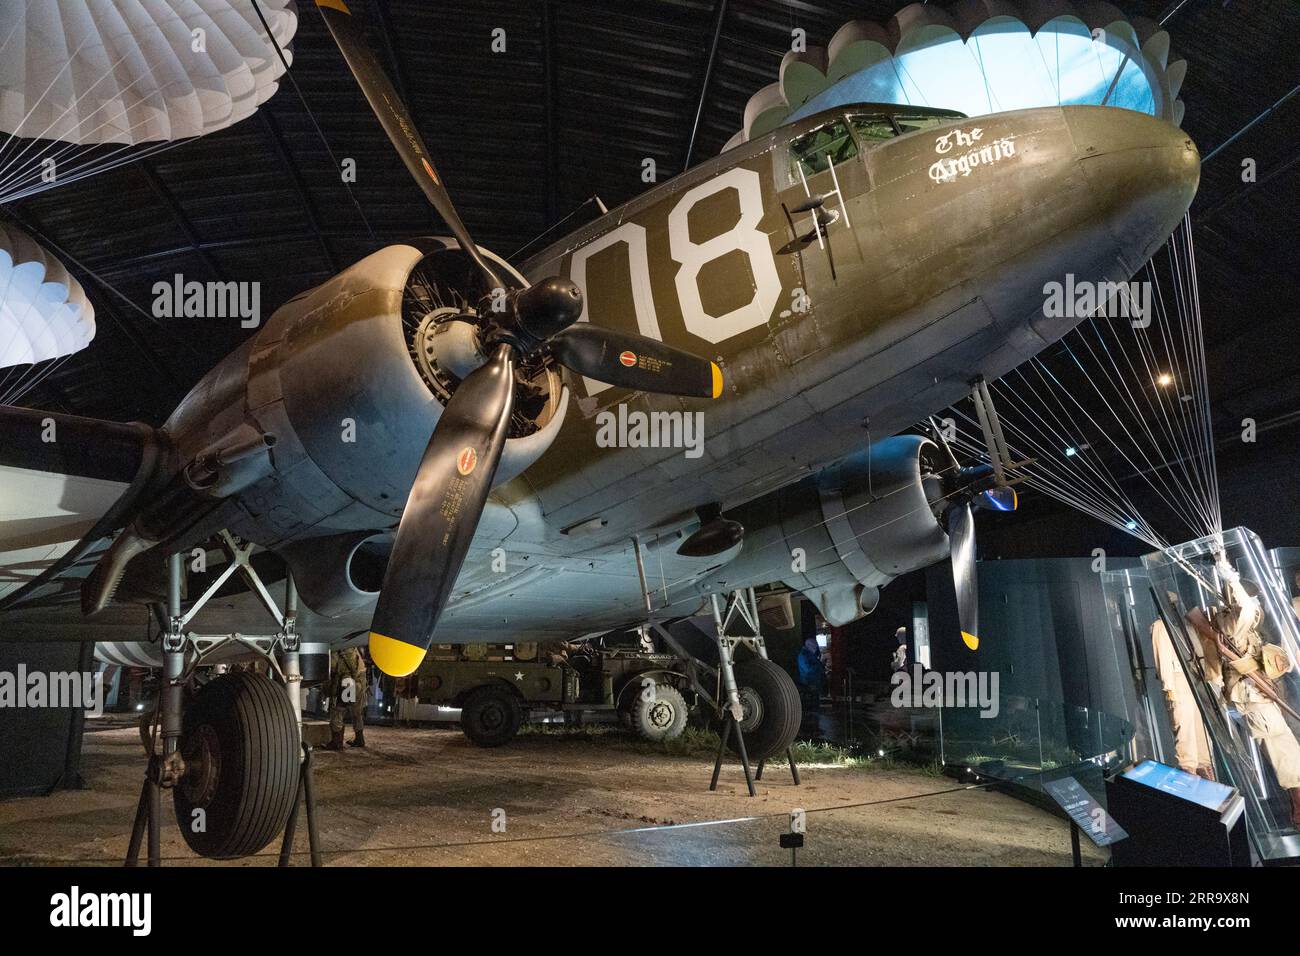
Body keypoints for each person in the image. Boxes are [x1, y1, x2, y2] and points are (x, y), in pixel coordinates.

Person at [1190, 557, 1300, 825]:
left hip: (1258, 690)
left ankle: (1296, 806)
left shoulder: (1235, 621)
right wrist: (1232, 578)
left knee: (1282, 746)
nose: (1258, 604)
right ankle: (1298, 807)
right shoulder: (1233, 622)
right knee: (1281, 747)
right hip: (1251, 695)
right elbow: (1248, 609)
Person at [1150, 594, 1214, 779]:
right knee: (1185, 734)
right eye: (1171, 604)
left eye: (1176, 604)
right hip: (1178, 684)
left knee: (1202, 736)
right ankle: (1190, 777)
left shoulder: (1187, 627)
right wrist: (1169, 691)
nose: (1175, 607)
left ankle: (1207, 779)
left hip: (1197, 683)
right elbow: (1162, 661)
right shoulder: (1160, 627)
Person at [325, 645, 368, 750]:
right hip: (359, 682)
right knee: (357, 713)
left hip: (347, 683)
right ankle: (360, 739)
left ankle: (337, 742)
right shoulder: (353, 648)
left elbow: (332, 666)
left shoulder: (339, 648)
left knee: (337, 712)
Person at [796, 636, 826, 703]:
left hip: (813, 683)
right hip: (809, 683)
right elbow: (808, 669)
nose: (815, 648)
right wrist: (820, 666)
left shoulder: (809, 654)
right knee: (812, 702)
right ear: (809, 645)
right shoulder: (803, 655)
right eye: (814, 646)